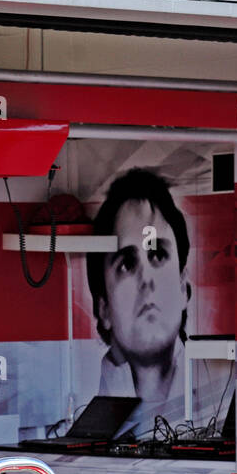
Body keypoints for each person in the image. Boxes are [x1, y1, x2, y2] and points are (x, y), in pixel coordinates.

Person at [85, 168, 191, 419]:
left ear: (183, 287)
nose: (147, 279)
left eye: (158, 255)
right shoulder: (80, 406)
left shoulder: (230, 390)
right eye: (126, 264)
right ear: (104, 309)